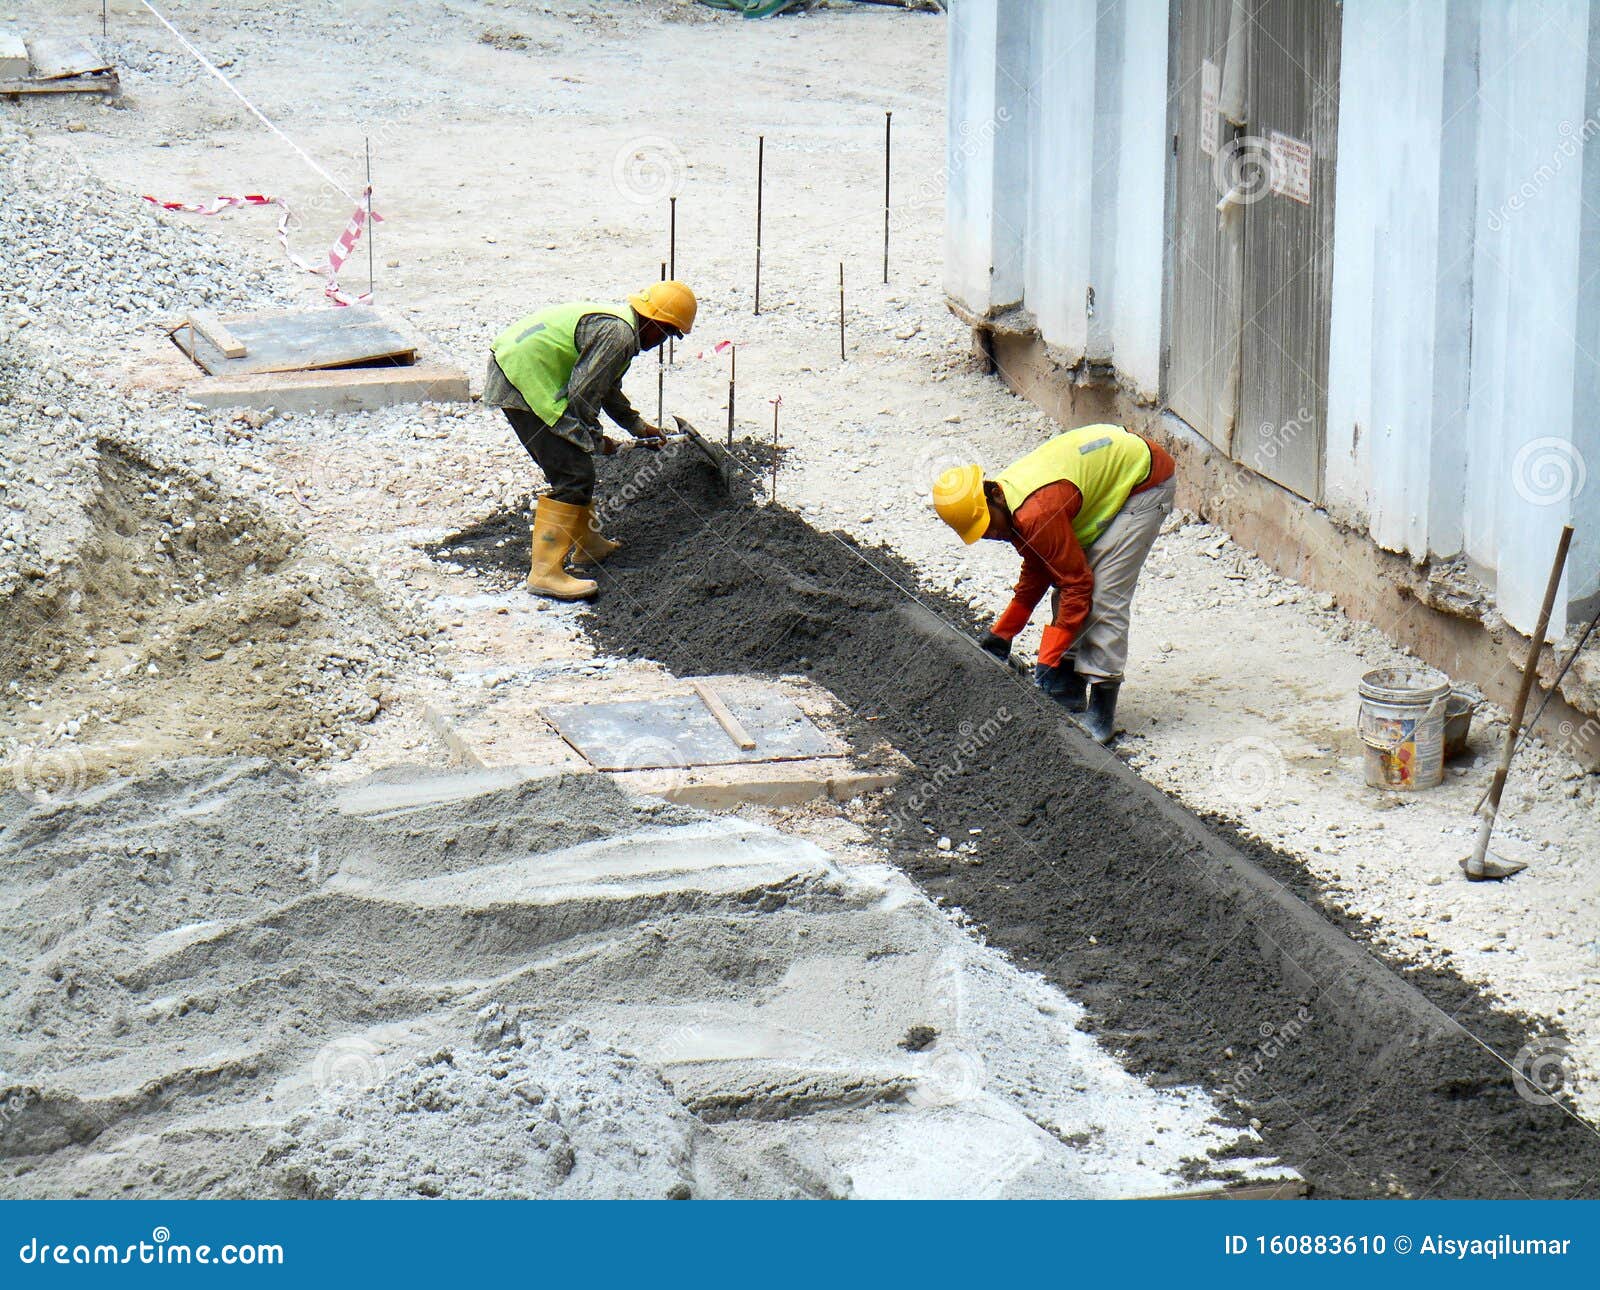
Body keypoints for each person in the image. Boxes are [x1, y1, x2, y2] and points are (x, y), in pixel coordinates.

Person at [932, 424, 1176, 743]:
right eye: (983, 533)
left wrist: (1045, 660)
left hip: (1143, 481)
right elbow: (1039, 568)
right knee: (1068, 582)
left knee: (1103, 598)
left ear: (993, 494)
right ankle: (1067, 684)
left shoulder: (1035, 512)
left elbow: (1077, 585)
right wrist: (1002, 635)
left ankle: (1102, 711)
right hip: (1102, 474)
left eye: (989, 525)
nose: (992, 535)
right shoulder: (1011, 505)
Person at [483, 280, 697, 600]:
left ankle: (588, 545)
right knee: (573, 474)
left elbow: (605, 385)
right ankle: (544, 573)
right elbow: (583, 393)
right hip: (521, 382)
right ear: (656, 322)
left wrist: (636, 426)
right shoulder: (619, 335)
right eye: (667, 333)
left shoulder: (622, 327)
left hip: (526, 371)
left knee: (577, 466)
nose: (663, 341)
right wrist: (596, 440)